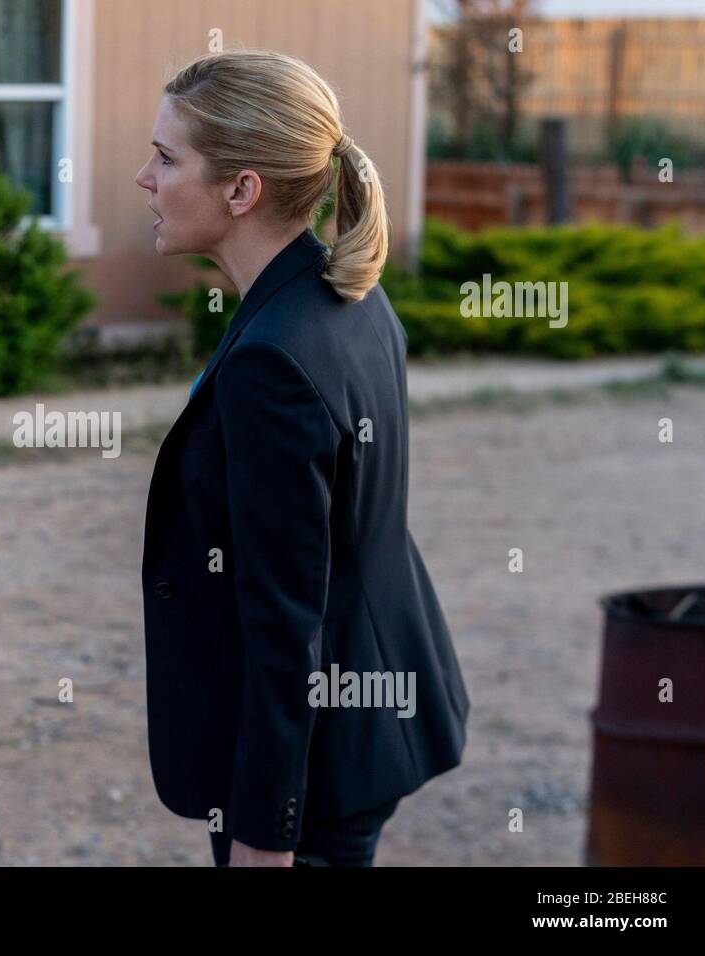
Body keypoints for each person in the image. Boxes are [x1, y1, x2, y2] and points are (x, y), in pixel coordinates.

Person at [135, 50, 470, 867]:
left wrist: (264, 832)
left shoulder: (275, 358)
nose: (146, 177)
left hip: (314, 768)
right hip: (369, 724)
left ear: (242, 190)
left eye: (168, 157)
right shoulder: (343, 291)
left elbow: (286, 624)